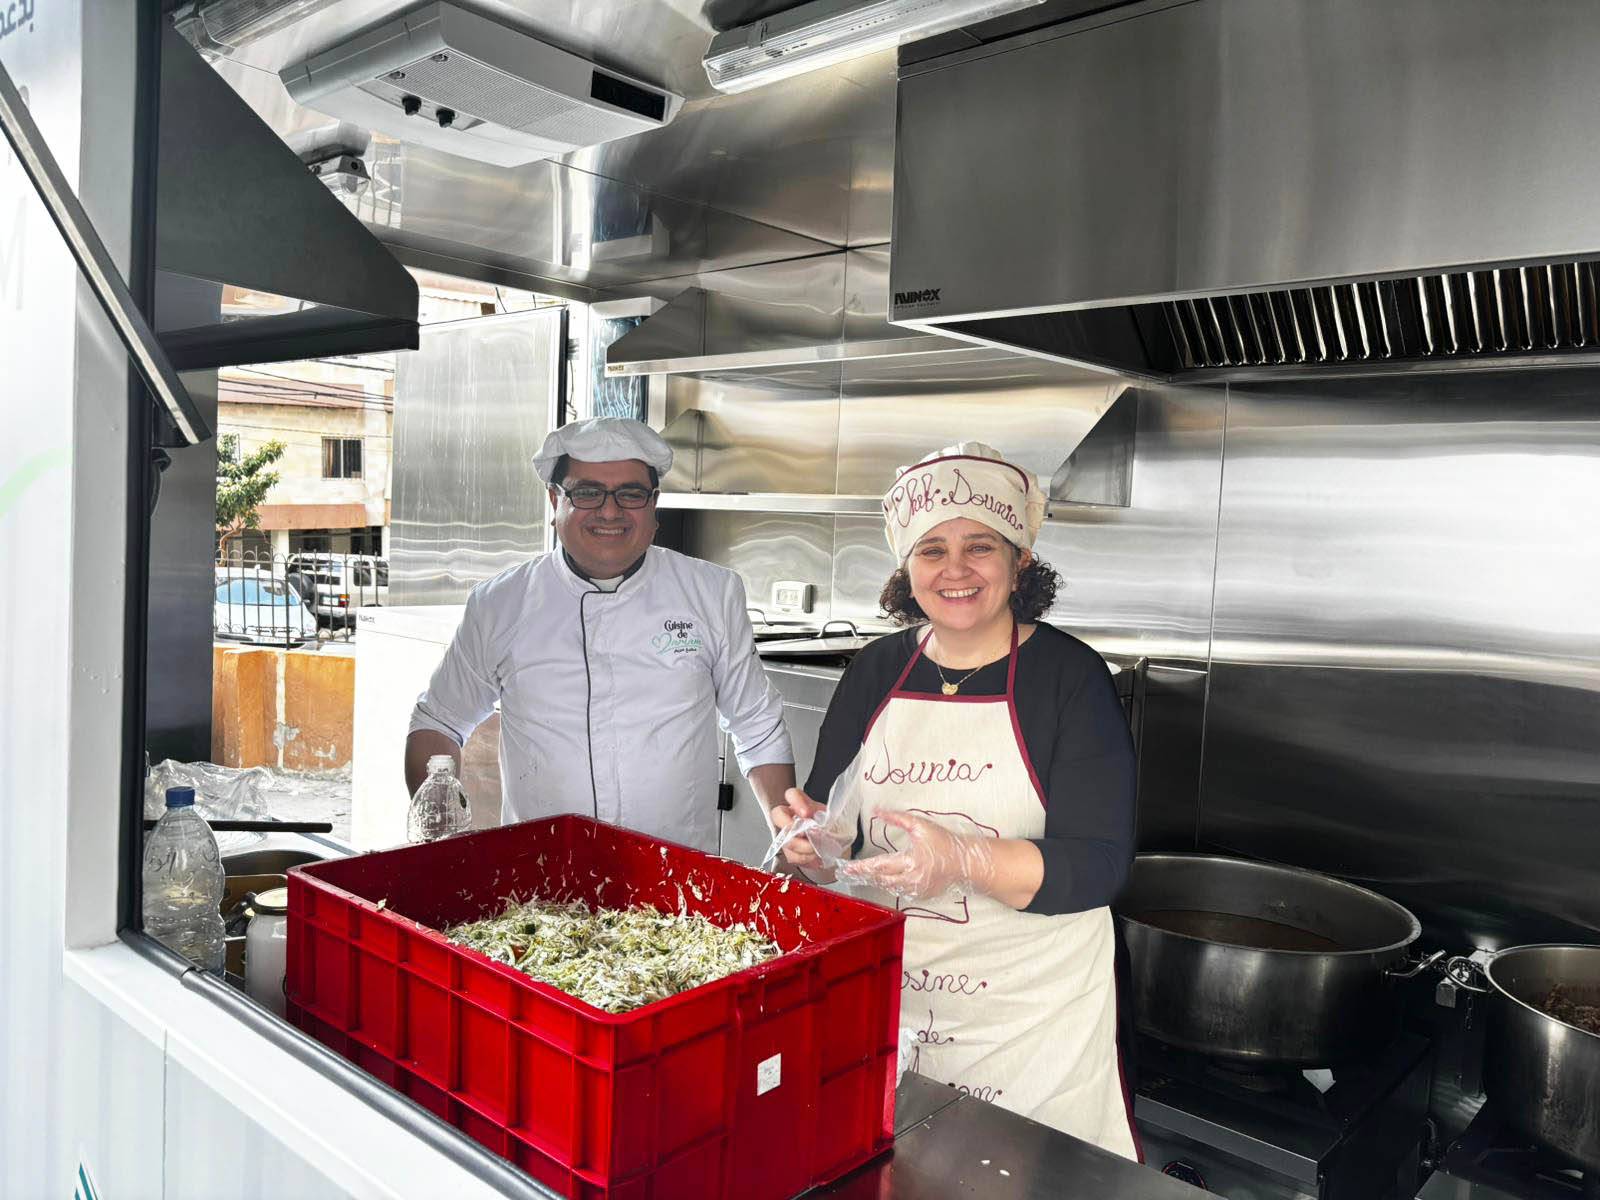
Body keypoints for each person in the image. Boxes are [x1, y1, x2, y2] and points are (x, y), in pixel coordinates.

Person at [773, 441, 1139, 1159]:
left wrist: (965, 859)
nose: (956, 569)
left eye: (980, 546)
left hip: (1031, 1027)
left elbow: (1100, 866)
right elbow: (832, 837)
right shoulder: (877, 669)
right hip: (894, 1006)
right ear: (906, 569)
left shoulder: (1069, 678)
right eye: (932, 550)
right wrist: (810, 848)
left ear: (1019, 563)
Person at [406, 417, 796, 852]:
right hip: (542, 877)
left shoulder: (711, 593)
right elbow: (438, 721)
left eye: (630, 494)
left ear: (654, 505)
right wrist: (440, 848)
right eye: (587, 492)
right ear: (555, 500)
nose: (610, 511)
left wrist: (789, 841)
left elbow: (758, 727)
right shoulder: (501, 603)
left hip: (673, 877)